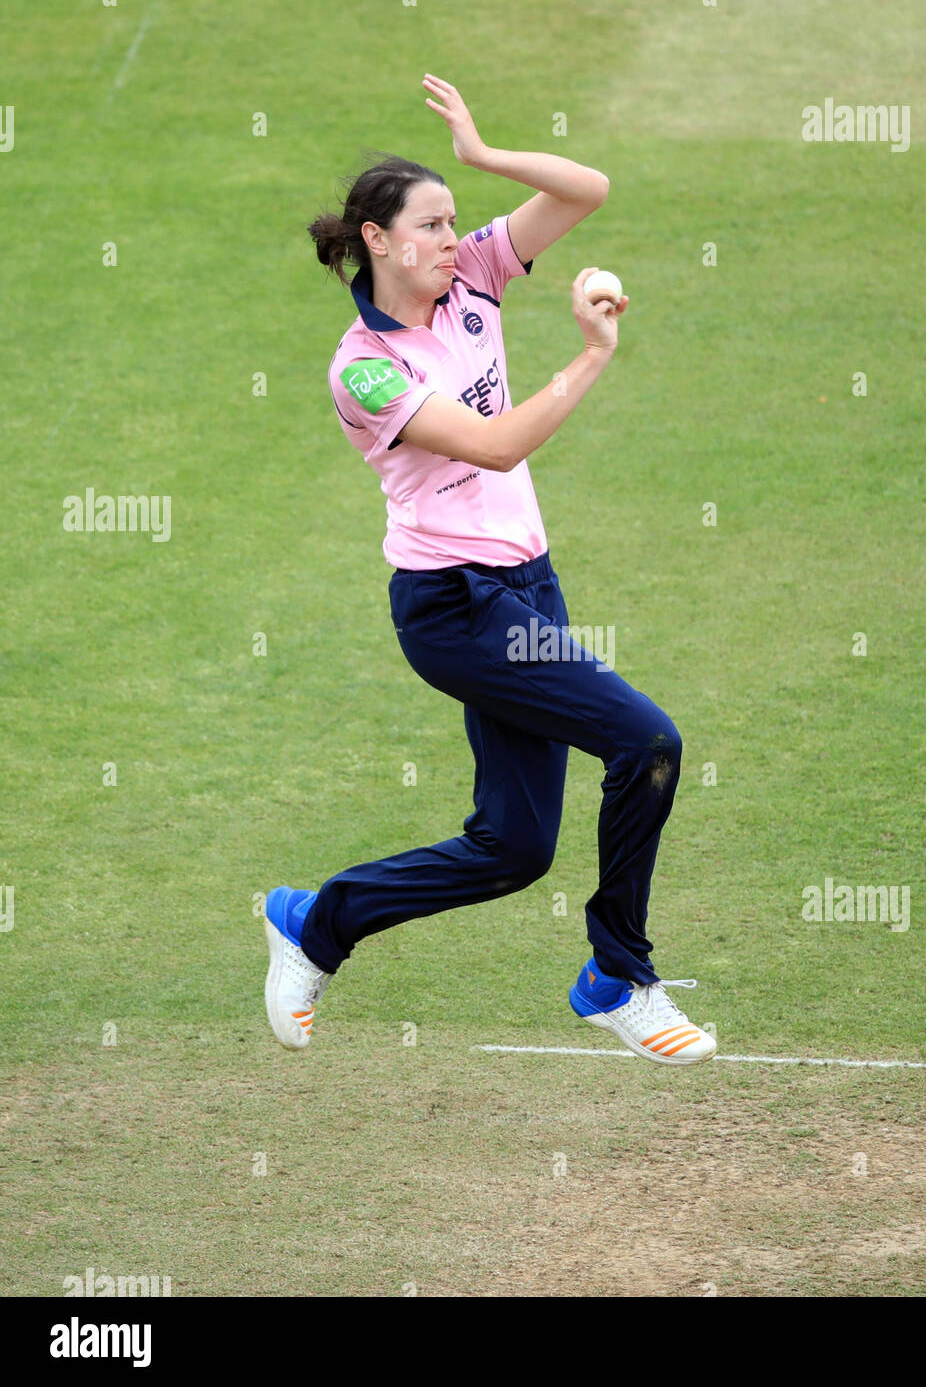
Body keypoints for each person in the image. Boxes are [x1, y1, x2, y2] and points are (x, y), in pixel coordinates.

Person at [264, 74, 715, 1067]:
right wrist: (592, 354)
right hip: (456, 607)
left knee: (514, 848)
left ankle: (315, 920)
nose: (451, 238)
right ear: (376, 239)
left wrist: (482, 155)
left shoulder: (471, 277)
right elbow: (498, 444)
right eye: (430, 225)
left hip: (525, 584)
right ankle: (618, 976)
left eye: (455, 220)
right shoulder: (366, 368)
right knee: (646, 743)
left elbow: (585, 187)